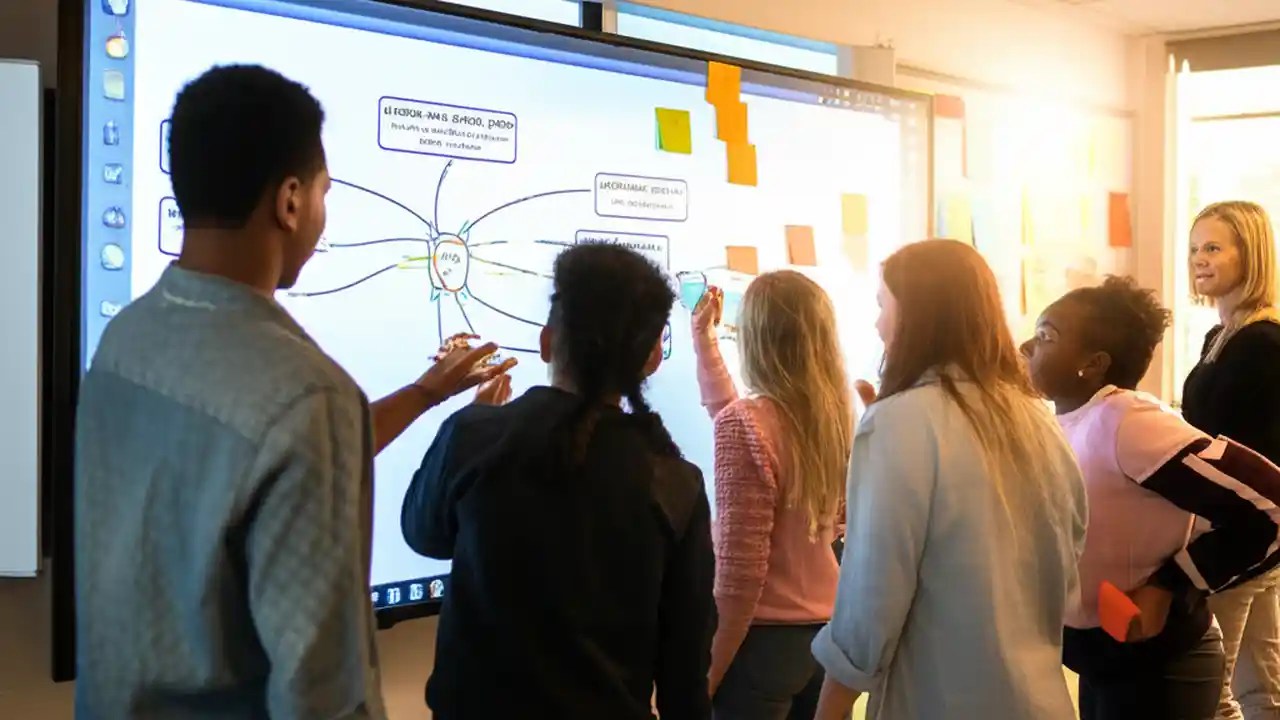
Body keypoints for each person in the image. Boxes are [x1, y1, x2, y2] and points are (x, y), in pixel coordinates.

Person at [74, 65, 512, 720]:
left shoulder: (127, 338)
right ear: (288, 201)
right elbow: (322, 693)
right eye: (323, 192)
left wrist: (425, 393)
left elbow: (254, 458)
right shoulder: (308, 397)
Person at [400, 243, 716, 720]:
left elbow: (423, 534)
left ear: (547, 341)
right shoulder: (675, 483)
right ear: (652, 357)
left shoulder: (476, 435)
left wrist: (471, 419)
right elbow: (684, 676)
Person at [810, 239, 1087, 720]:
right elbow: (1066, 571)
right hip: (1041, 699)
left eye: (882, 305)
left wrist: (830, 708)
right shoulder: (1038, 420)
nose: (877, 325)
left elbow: (871, 600)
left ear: (918, 313)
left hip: (939, 699)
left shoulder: (900, 421)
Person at [1023, 275, 1280, 719]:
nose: (1028, 346)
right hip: (1103, 660)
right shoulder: (1067, 418)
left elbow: (1271, 504)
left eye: (1046, 336)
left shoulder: (1128, 422)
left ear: (1094, 363)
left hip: (1160, 670)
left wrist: (1172, 585)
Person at [690, 272, 851, 719]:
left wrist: (708, 674)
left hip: (760, 642)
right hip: (823, 637)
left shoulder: (748, 424)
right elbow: (737, 421)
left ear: (756, 339)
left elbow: (741, 576)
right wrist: (705, 345)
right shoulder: (831, 419)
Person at [1183, 200, 1280, 720]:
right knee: (1261, 686)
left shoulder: (1264, 344)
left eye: (1215, 247)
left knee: (1214, 693)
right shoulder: (1219, 337)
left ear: (1252, 254)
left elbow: (1251, 453)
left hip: (1240, 533)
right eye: (1196, 248)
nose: (1200, 259)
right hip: (1252, 533)